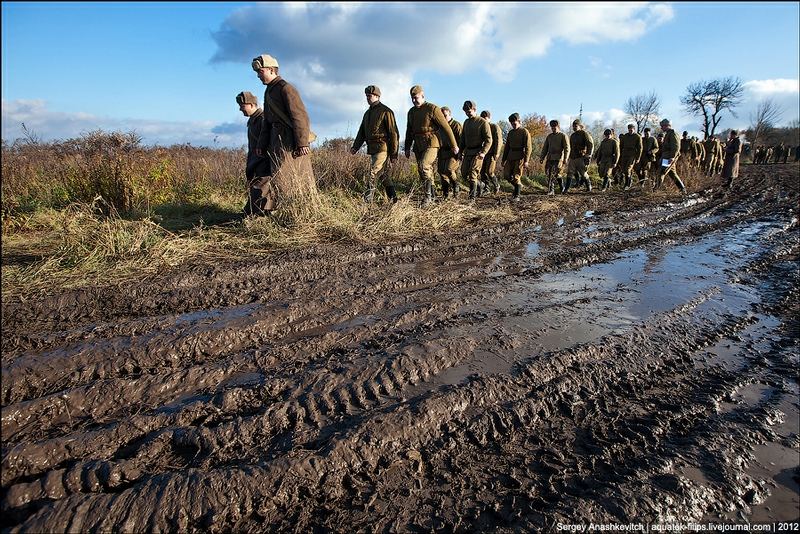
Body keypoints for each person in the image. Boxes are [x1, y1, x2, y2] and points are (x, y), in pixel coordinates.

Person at [252, 54, 315, 211]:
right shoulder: (269, 92)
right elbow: (267, 121)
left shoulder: (286, 88)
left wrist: (302, 143)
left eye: (261, 71)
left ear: (272, 70)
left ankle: (295, 213)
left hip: (289, 141)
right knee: (277, 178)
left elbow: (300, 116)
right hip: (275, 140)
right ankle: (284, 212)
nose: (258, 75)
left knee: (285, 179)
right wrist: (261, 144)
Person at [404, 85, 459, 205]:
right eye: (412, 98)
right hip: (418, 144)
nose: (414, 100)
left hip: (432, 142)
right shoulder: (411, 112)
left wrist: (454, 145)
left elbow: (446, 128)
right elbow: (409, 130)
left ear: (423, 95)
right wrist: (407, 147)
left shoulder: (432, 109)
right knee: (422, 170)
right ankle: (432, 196)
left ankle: (428, 197)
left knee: (424, 165)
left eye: (416, 97)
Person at [350, 85, 400, 204]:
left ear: (377, 96)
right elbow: (361, 132)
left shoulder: (385, 111)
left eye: (370, 96)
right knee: (384, 176)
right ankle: (394, 200)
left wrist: (394, 154)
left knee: (373, 172)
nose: (368, 98)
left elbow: (394, 133)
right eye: (367, 96)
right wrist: (355, 147)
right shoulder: (367, 114)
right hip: (372, 148)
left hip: (383, 147)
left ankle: (367, 202)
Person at [236, 91, 270, 215]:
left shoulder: (262, 119)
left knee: (260, 188)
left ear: (251, 104)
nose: (240, 109)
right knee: (255, 187)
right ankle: (254, 214)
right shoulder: (252, 120)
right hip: (255, 159)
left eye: (242, 106)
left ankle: (255, 214)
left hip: (263, 160)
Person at [458, 100, 492, 201]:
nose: (467, 113)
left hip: (478, 152)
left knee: (473, 173)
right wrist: (460, 151)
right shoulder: (466, 122)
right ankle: (480, 184)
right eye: (465, 112)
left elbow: (488, 140)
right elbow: (463, 139)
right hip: (468, 152)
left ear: (474, 109)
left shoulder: (482, 122)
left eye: (469, 111)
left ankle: (471, 198)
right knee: (464, 174)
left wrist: (483, 152)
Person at [501, 113, 532, 202]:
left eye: (514, 123)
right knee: (506, 175)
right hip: (510, 156)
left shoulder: (524, 131)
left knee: (516, 176)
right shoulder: (511, 133)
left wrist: (526, 160)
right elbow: (507, 147)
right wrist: (504, 159)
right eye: (511, 123)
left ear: (519, 121)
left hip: (519, 157)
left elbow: (528, 147)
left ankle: (517, 195)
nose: (513, 125)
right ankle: (517, 187)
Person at [654, 118, 687, 194]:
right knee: (672, 174)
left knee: (661, 172)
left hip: (669, 158)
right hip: (666, 157)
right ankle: (682, 189)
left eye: (662, 126)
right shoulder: (668, 134)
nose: (661, 128)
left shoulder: (673, 133)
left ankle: (656, 190)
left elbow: (676, 147)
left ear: (667, 126)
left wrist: (672, 157)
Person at [539, 119, 570, 195]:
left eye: (554, 128)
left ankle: (562, 188)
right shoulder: (549, 137)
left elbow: (567, 147)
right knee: (549, 173)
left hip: (559, 157)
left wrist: (566, 158)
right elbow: (545, 148)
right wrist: (542, 157)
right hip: (550, 157)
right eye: (552, 128)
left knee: (558, 173)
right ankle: (551, 190)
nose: (553, 129)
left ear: (558, 127)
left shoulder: (563, 136)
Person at [438, 106, 463, 198]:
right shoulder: (439, 127)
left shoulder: (456, 125)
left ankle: (456, 186)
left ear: (449, 114)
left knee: (449, 169)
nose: (444, 117)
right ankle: (446, 193)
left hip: (453, 152)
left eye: (445, 115)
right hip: (442, 152)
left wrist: (461, 152)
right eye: (442, 116)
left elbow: (461, 139)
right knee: (442, 172)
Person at [566, 119, 594, 192]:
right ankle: (567, 188)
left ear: (580, 126)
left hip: (581, 156)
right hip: (573, 156)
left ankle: (588, 186)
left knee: (583, 173)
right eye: (573, 126)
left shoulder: (584, 134)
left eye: (576, 126)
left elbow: (590, 144)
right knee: (570, 172)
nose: (574, 128)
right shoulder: (572, 135)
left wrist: (588, 154)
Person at [479, 110, 504, 194]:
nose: (483, 120)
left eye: (485, 118)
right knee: (482, 172)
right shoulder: (481, 127)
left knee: (489, 171)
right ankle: (487, 188)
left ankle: (496, 185)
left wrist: (497, 153)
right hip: (483, 153)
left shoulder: (494, 127)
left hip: (492, 153)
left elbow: (499, 140)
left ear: (489, 118)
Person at [618, 123, 642, 190]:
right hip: (624, 154)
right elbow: (621, 146)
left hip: (632, 154)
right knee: (623, 169)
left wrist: (638, 158)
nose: (630, 131)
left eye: (631, 130)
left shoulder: (637, 137)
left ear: (634, 129)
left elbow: (640, 148)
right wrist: (620, 155)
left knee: (628, 169)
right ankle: (629, 180)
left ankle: (627, 184)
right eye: (629, 130)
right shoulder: (625, 136)